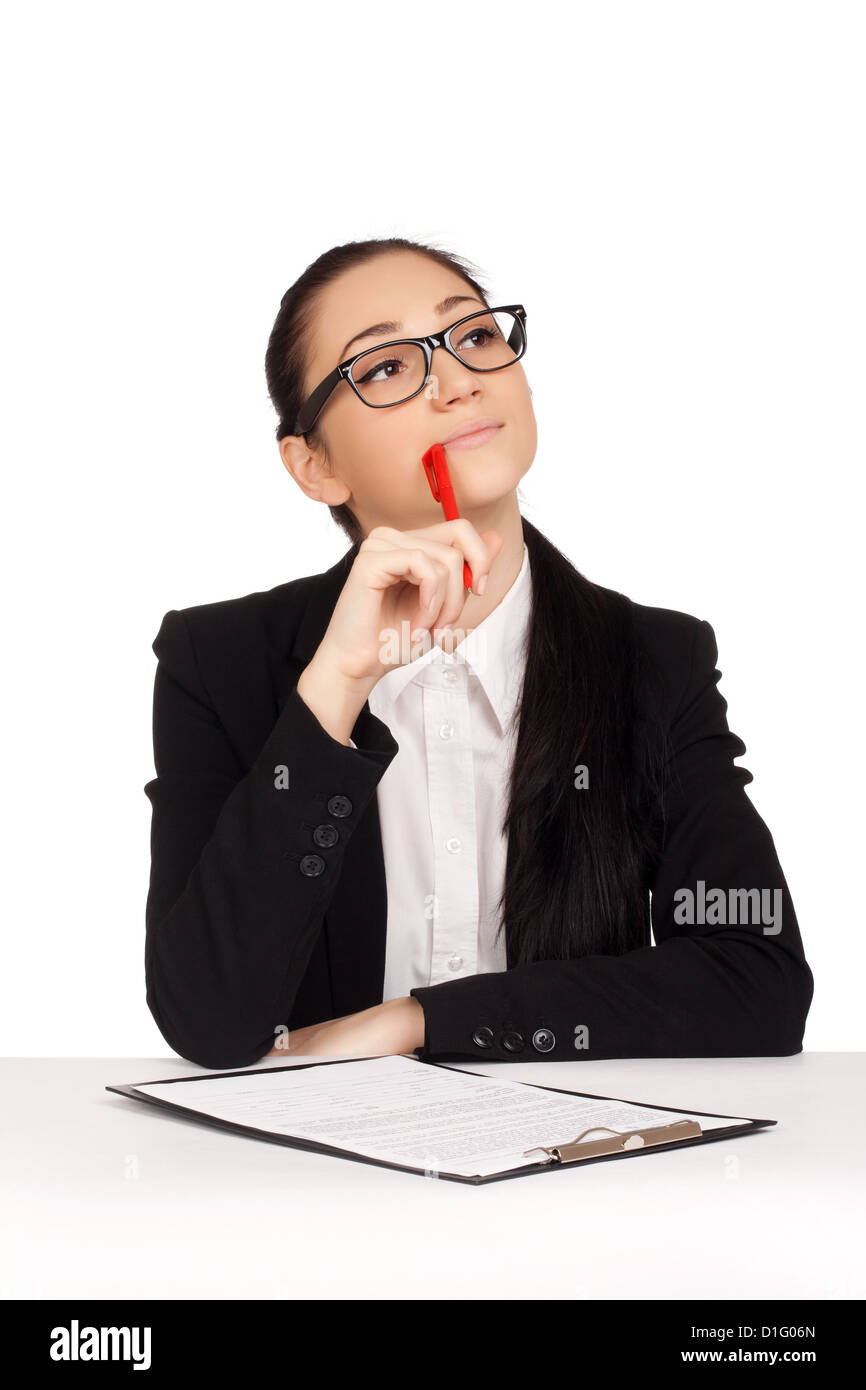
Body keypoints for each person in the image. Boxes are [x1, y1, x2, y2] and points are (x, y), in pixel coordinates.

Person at [143, 236, 813, 1072]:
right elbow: (207, 1019)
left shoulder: (654, 661)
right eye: (385, 367)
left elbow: (756, 977)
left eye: (476, 337)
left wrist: (417, 1021)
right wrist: (337, 687)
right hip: (311, 1191)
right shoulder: (221, 661)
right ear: (314, 467)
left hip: (590, 1184)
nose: (457, 380)